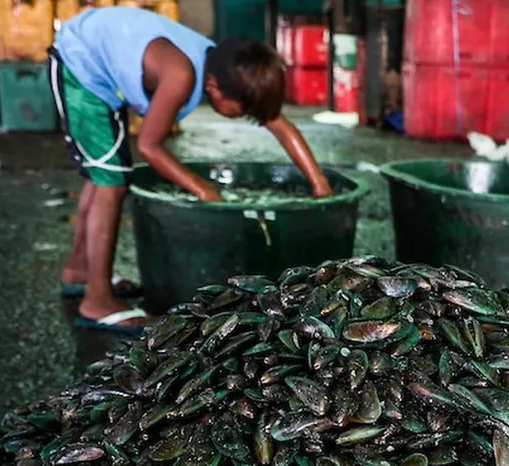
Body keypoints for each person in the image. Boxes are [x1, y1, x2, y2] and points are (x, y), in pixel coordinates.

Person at [48, 6, 333, 334]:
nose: (243, 117)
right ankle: (97, 300)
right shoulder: (182, 75)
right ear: (213, 87)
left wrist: (319, 184)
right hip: (79, 64)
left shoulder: (223, 66)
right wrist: (204, 190)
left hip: (95, 54)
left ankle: (79, 271)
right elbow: (150, 147)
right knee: (111, 183)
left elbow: (280, 125)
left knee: (104, 175)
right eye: (242, 111)